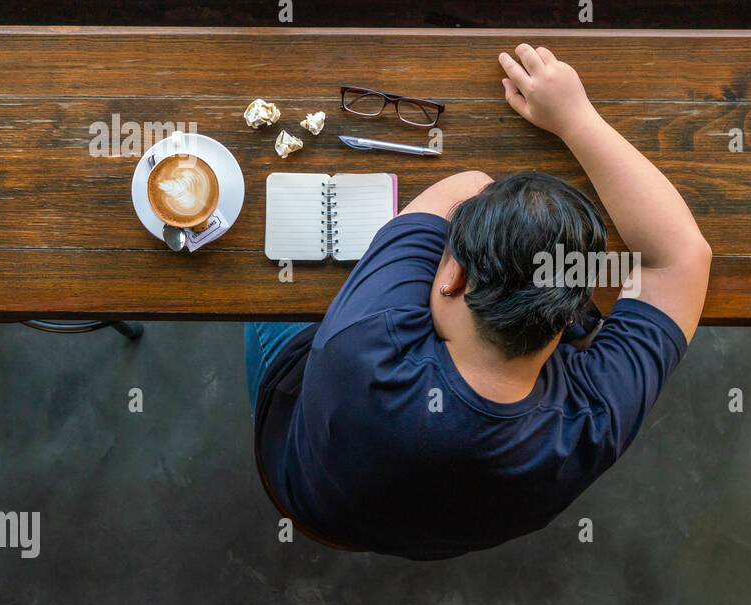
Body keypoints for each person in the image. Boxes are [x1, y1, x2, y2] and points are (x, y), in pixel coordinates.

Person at [245, 43, 711, 558]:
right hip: (411, 532)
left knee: (264, 296)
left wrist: (556, 140)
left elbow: (469, 184)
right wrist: (577, 121)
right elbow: (680, 258)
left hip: (304, 492)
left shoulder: (368, 339)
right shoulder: (590, 421)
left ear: (453, 276)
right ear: (571, 308)